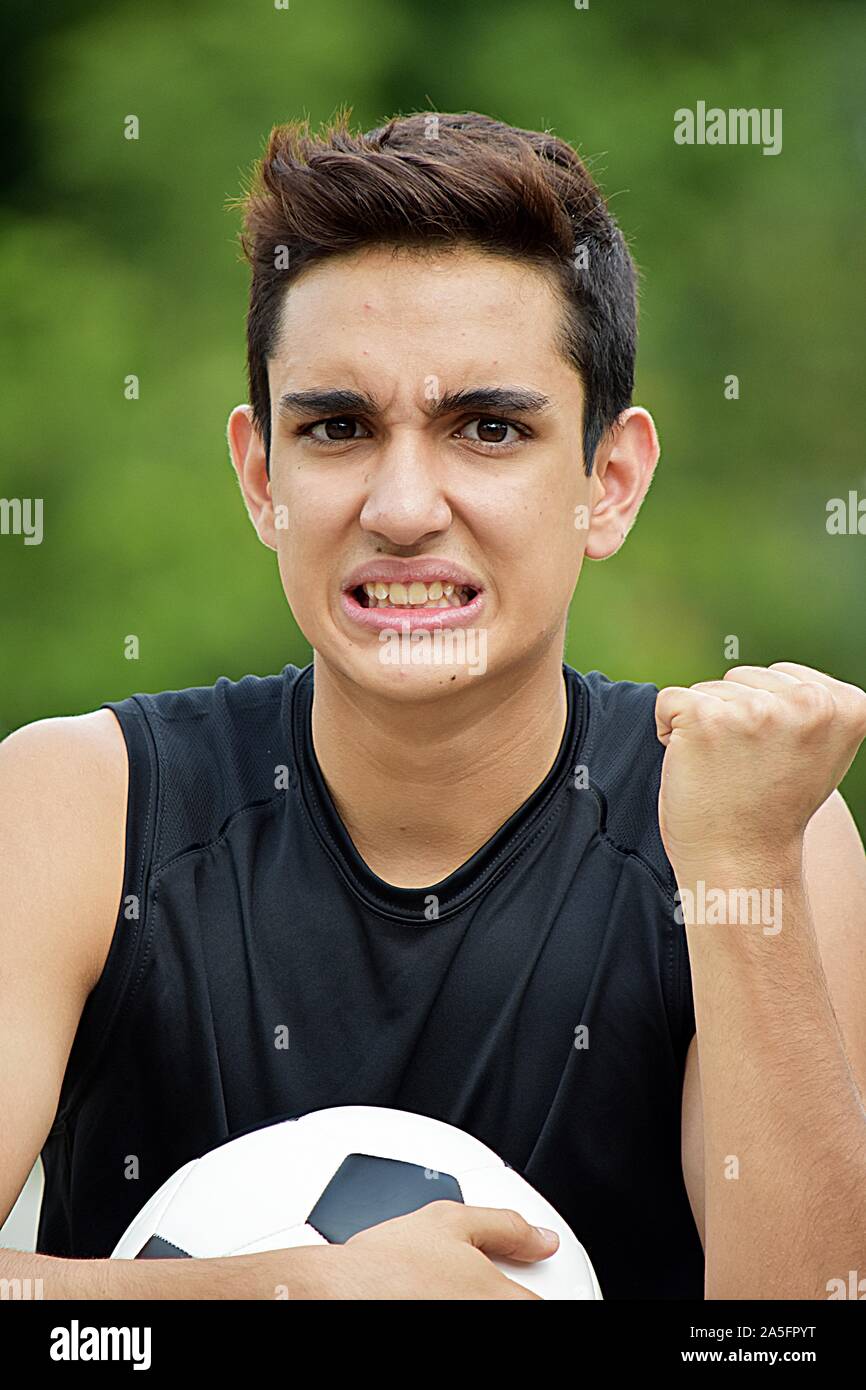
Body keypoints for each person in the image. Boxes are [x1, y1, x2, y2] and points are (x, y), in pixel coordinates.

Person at [2, 111, 865, 1301]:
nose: (404, 505)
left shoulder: (757, 831)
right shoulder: (77, 809)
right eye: (339, 427)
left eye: (488, 428)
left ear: (606, 483)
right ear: (263, 478)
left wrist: (745, 861)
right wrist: (293, 1292)